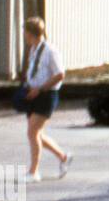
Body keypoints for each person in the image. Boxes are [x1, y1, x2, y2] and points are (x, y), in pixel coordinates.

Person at [18, 17, 71, 182]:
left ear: (31, 33)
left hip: (46, 95)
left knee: (32, 132)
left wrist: (40, 89)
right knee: (36, 133)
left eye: (25, 31)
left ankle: (33, 172)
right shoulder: (34, 49)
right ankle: (63, 157)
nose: (24, 35)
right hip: (33, 94)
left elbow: (60, 74)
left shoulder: (50, 50)